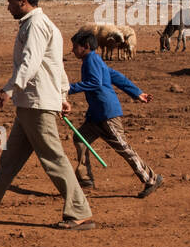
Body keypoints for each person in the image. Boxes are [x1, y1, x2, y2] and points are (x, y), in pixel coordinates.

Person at [0, 0, 94, 229]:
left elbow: (30, 63)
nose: (7, 7)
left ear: (23, 1)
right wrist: (63, 95)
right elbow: (56, 66)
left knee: (53, 158)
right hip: (31, 103)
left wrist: (8, 90)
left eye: (10, 1)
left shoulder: (36, 25)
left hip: (36, 103)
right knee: (10, 159)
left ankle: (79, 211)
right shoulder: (41, 25)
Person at [65, 29, 163, 198]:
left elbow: (94, 83)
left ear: (86, 46)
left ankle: (151, 179)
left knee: (123, 147)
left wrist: (67, 89)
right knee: (80, 139)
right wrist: (137, 92)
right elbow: (115, 76)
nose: (72, 50)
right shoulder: (96, 60)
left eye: (75, 47)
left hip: (106, 113)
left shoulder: (91, 60)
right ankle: (85, 180)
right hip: (96, 115)